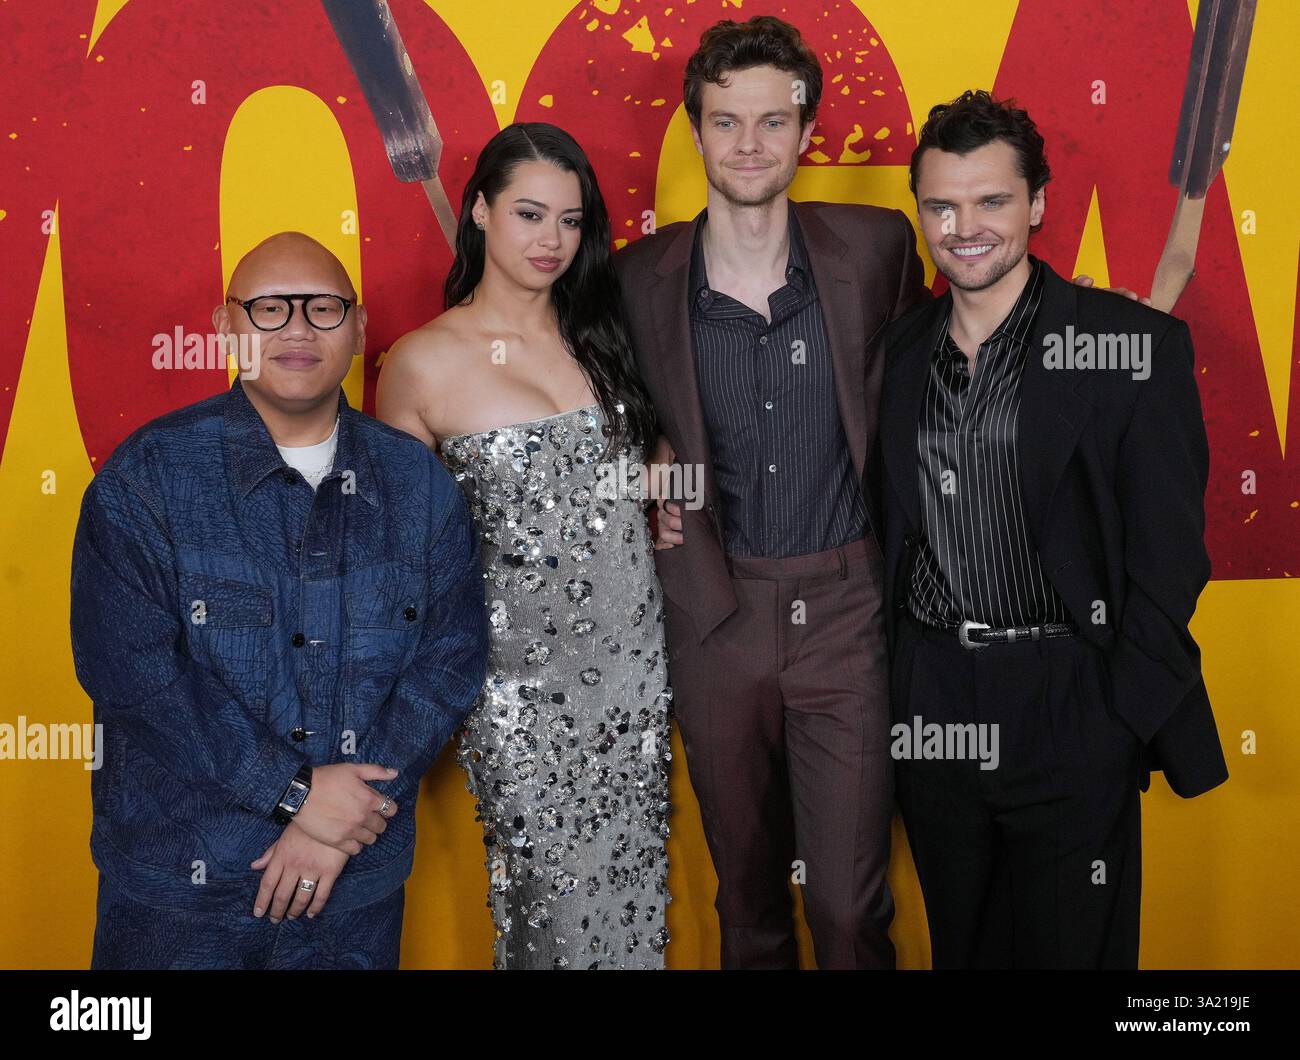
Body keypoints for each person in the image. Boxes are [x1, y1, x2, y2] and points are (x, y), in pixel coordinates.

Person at [70, 232, 488, 969]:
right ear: (226, 327)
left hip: (350, 898)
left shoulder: (418, 487)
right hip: (181, 893)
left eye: (323, 308)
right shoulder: (147, 480)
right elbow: (132, 674)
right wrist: (294, 794)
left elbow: (448, 663)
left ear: (359, 329)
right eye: (269, 309)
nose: (298, 329)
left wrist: (340, 825)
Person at [879, 91, 1228, 968]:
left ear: (1037, 204)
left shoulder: (1127, 345)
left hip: (1071, 694)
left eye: (992, 201)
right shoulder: (896, 354)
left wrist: (1117, 714)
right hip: (934, 697)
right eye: (941, 205)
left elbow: (1170, 556)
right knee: (966, 949)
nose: (965, 228)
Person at [614, 15, 931, 969]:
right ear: (696, 131)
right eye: (724, 122)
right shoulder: (636, 278)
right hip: (715, 609)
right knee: (747, 902)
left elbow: (935, 378)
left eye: (771, 121)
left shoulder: (876, 250)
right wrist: (646, 459)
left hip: (847, 608)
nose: (748, 144)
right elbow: (589, 404)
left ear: (805, 133)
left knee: (845, 908)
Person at [377, 123, 672, 969]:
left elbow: (641, 450)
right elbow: (400, 561)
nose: (551, 241)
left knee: (630, 914)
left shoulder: (605, 333)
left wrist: (663, 463)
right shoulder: (422, 364)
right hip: (517, 694)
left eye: (570, 221)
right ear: (478, 211)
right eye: (529, 215)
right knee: (551, 917)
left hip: (636, 675)